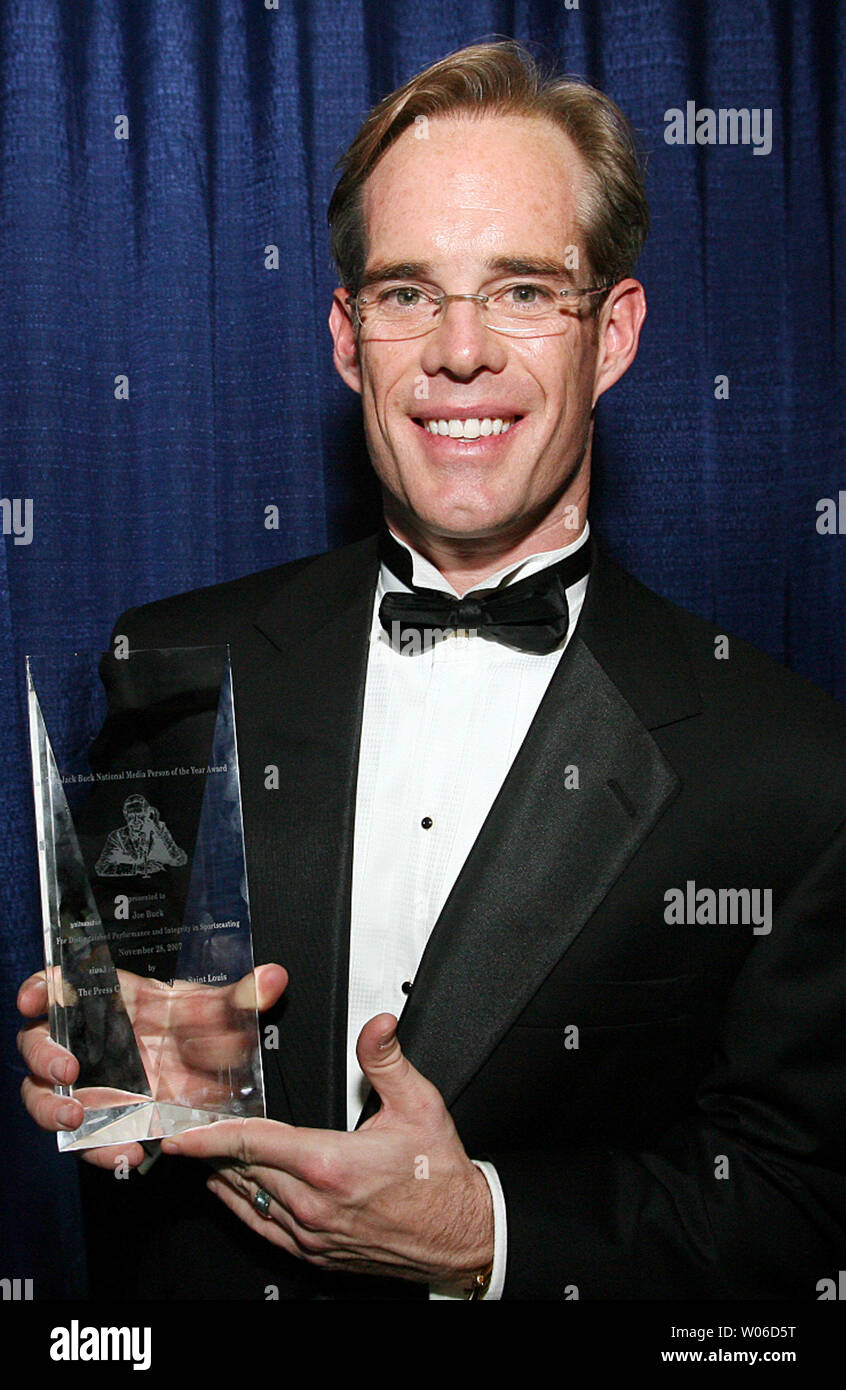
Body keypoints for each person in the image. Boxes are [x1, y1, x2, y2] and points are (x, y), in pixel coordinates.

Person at [17, 40, 846, 1301]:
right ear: (349, 340)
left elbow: (799, 1196)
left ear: (611, 334)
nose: (460, 352)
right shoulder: (173, 665)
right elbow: (148, 1096)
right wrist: (125, 1100)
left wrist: (490, 1233)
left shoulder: (789, 763)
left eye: (522, 289)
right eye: (408, 293)